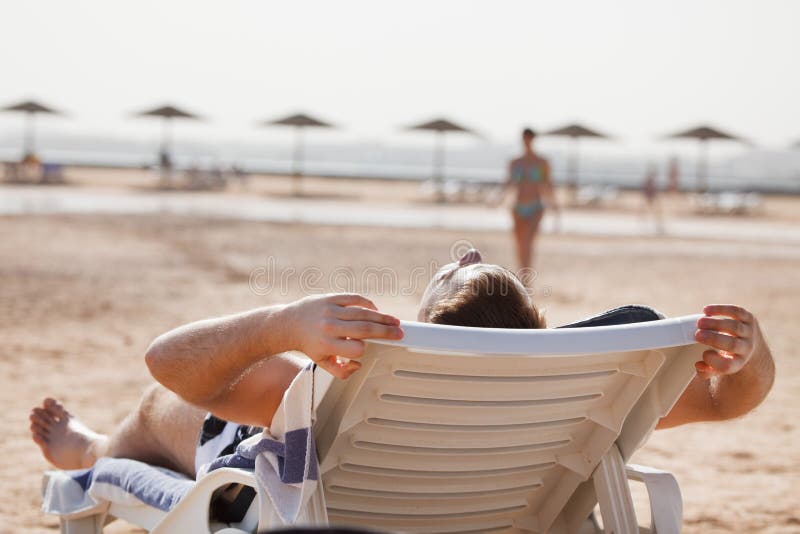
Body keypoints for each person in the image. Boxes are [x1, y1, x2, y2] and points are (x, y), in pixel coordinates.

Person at [29, 249, 774, 481]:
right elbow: (730, 401)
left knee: (172, 410)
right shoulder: (587, 398)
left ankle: (96, 452)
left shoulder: (345, 386)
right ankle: (96, 447)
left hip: (282, 480)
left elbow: (167, 362)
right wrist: (751, 350)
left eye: (459, 272)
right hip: (497, 496)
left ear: (424, 320)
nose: (470, 254)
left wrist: (280, 322)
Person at [503, 128, 560, 272]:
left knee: (528, 242)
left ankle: (526, 276)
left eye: (529, 139)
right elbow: (509, 184)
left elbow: (548, 184)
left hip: (536, 206)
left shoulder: (542, 162)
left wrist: (554, 204)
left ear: (533, 140)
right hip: (517, 206)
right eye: (525, 139)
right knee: (520, 243)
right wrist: (495, 199)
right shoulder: (515, 162)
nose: (527, 142)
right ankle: (522, 273)